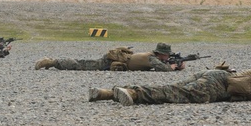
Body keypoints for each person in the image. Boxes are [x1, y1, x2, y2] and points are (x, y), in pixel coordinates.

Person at [90, 44, 251, 105]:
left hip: (219, 79)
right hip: (220, 84)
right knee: (176, 93)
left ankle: (107, 93)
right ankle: (133, 93)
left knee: (175, 88)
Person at [35, 42, 185, 71]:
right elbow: (163, 69)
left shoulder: (153, 56)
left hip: (117, 61)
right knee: (81, 65)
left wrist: (179, 65)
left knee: (82, 63)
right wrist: (173, 67)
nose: (168, 57)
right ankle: (52, 62)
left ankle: (54, 62)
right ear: (161, 54)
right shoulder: (152, 58)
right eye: (167, 55)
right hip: (111, 61)